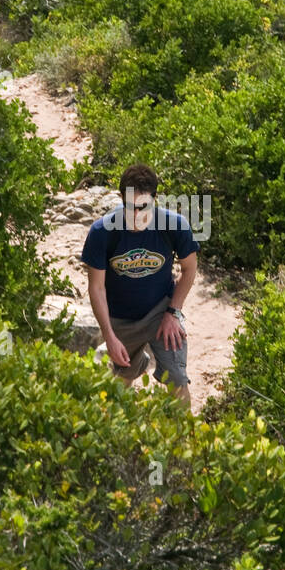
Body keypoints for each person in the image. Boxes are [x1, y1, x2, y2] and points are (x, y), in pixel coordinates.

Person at [80, 163, 198, 409]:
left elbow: (189, 270)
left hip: (160, 311)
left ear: (155, 199)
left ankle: (189, 441)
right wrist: (110, 337)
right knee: (115, 388)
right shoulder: (102, 232)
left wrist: (173, 312)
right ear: (121, 198)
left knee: (176, 378)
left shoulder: (174, 226)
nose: (137, 214)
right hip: (119, 318)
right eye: (131, 207)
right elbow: (96, 289)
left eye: (144, 207)